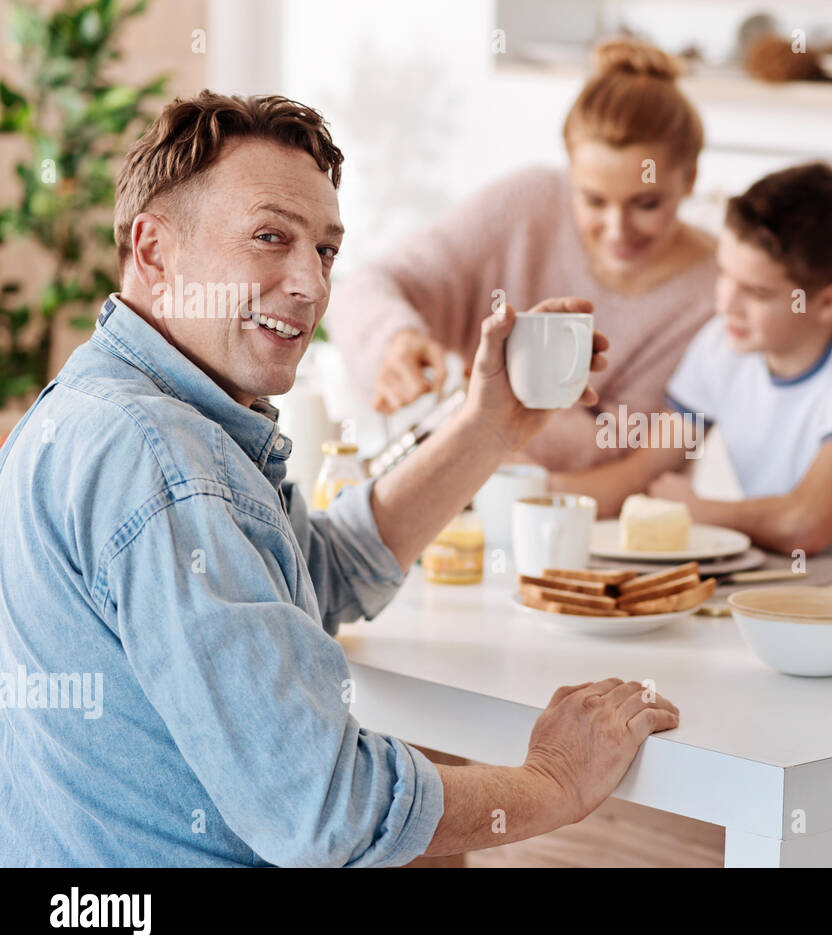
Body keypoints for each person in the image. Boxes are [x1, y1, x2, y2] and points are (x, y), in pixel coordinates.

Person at [0, 91, 680, 867]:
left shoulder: (104, 403)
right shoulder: (167, 463)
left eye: (324, 250)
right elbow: (323, 806)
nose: (311, 285)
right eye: (269, 237)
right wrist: (553, 782)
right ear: (156, 253)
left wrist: (487, 426)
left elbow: (317, 573)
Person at [325, 37, 717, 472]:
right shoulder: (528, 204)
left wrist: (490, 405)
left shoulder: (714, 290)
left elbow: (622, 450)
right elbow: (366, 286)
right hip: (444, 491)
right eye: (593, 200)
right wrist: (395, 339)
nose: (617, 229)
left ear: (691, 178)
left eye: (646, 204)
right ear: (571, 174)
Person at [552, 162, 832, 557]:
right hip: (794, 588)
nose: (726, 304)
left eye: (756, 293)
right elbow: (645, 473)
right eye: (724, 274)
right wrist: (534, 487)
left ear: (829, 302)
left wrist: (699, 511)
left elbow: (805, 525)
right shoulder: (721, 345)